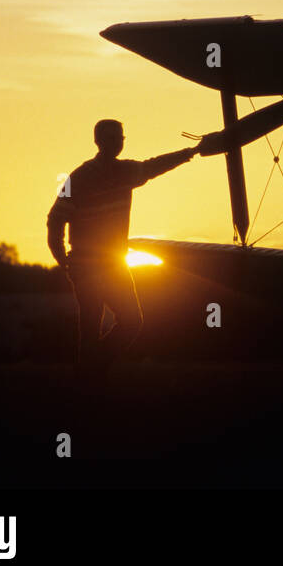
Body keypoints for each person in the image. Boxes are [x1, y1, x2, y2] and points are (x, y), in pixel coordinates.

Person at [47, 119, 197, 377]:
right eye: (112, 138)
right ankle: (89, 378)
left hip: (114, 264)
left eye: (120, 138)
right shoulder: (80, 177)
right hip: (86, 266)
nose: (117, 143)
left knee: (131, 321)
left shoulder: (126, 172)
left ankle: (91, 371)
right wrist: (64, 261)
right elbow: (55, 220)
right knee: (91, 324)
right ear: (99, 142)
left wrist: (189, 153)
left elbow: (154, 166)